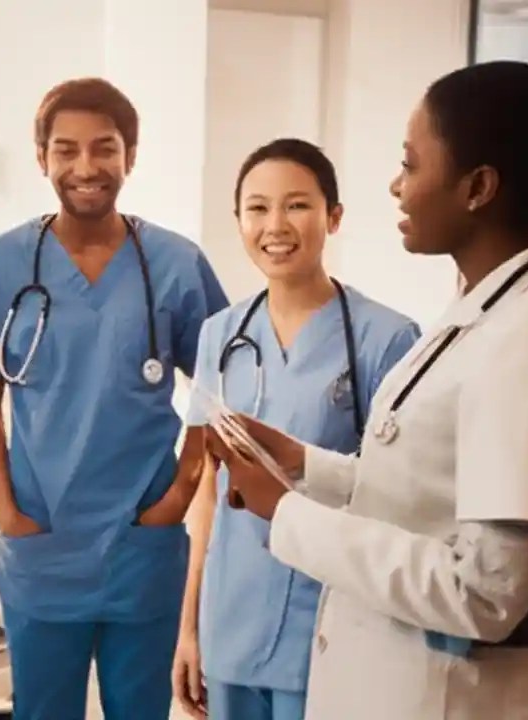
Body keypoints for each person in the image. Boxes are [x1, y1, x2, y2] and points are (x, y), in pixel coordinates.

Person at [206, 60, 528, 719]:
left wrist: (287, 513)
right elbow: (424, 493)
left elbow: (487, 592)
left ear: (478, 187)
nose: (396, 185)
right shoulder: (485, 312)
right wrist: (303, 466)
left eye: (410, 165)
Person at [0, 77, 229, 719]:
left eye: (105, 148)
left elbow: (218, 391)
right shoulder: (2, 264)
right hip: (42, 543)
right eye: (66, 150)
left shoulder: (176, 264)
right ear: (41, 158)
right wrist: (8, 513)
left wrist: (179, 494)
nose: (86, 167)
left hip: (141, 545)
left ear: (131, 155)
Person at [171, 138, 420, 720]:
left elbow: (401, 495)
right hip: (231, 621)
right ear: (239, 220)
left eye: (297, 205)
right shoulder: (219, 335)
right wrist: (189, 627)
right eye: (257, 208)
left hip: (331, 622)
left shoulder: (387, 340)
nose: (276, 225)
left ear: (334, 217)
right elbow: (207, 492)